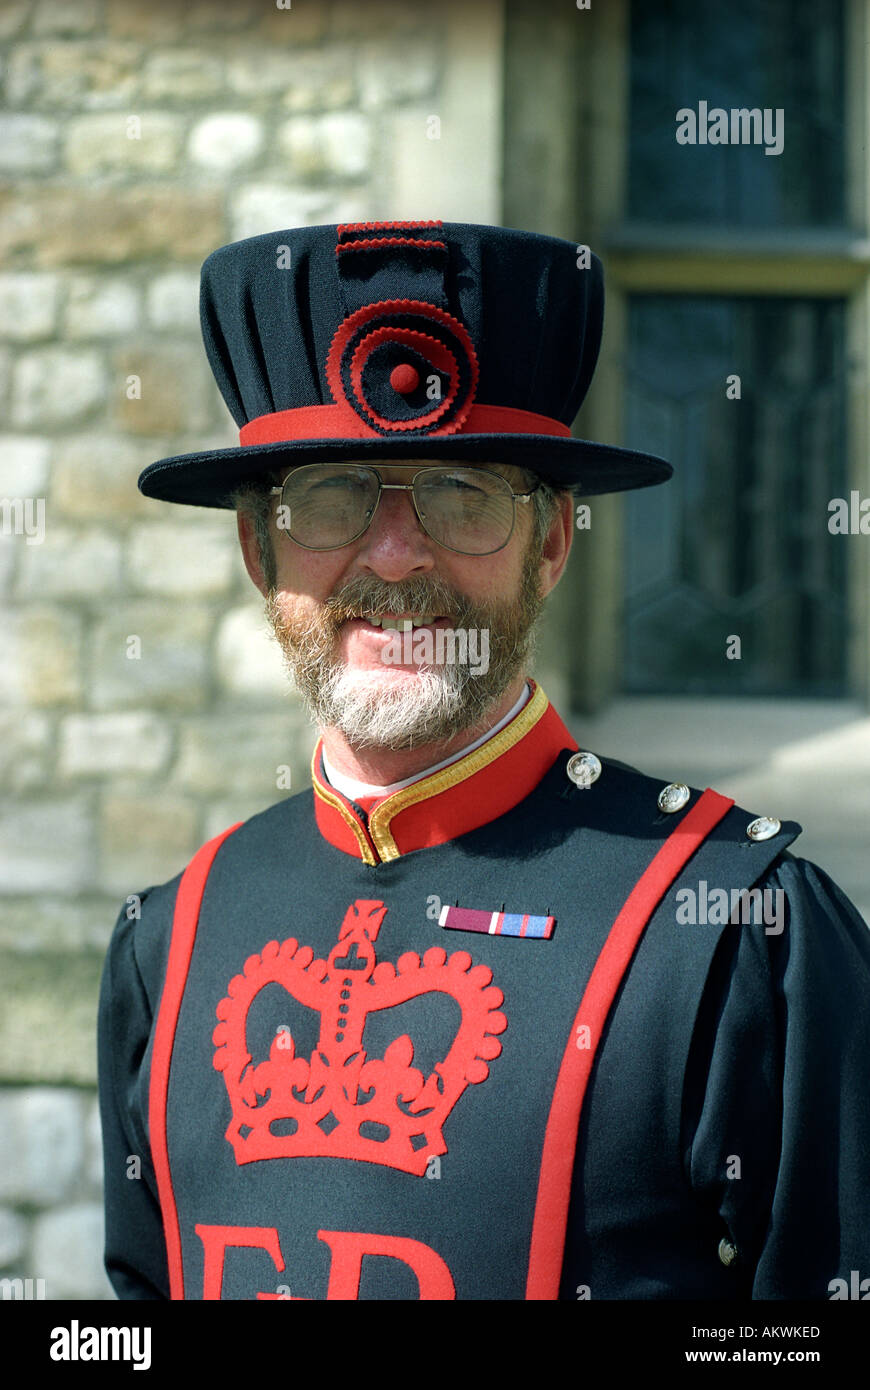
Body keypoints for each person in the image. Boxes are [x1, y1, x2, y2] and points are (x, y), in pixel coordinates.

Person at [98, 220, 870, 1301]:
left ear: (552, 543)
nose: (397, 552)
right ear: (258, 547)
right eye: (331, 494)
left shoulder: (744, 930)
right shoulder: (167, 939)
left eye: (462, 493)